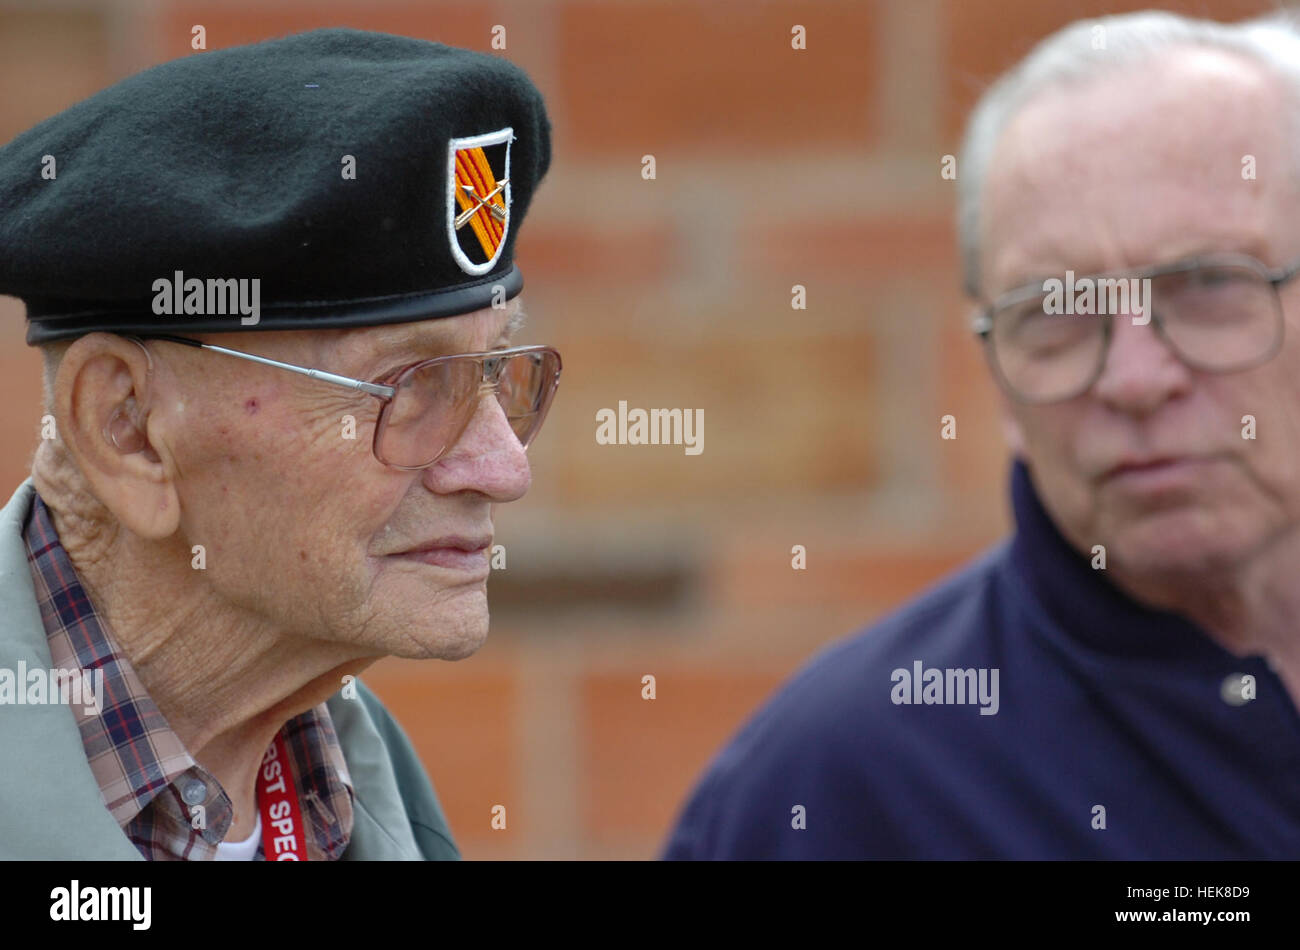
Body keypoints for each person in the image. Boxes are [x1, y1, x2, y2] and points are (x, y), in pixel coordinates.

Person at [663, 10, 1300, 859]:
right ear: (996, 374)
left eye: (1209, 283)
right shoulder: (835, 793)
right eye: (1053, 315)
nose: (1135, 378)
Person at [0, 27, 560, 860]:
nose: (503, 468)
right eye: (410, 388)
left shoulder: (375, 791)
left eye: (498, 374)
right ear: (130, 431)